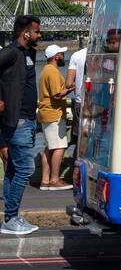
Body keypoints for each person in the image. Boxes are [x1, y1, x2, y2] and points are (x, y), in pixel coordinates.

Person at [0, 15, 42, 235]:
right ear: (26, 33)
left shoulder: (27, 53)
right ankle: (12, 217)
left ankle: (9, 218)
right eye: (36, 31)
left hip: (26, 120)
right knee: (26, 168)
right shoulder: (11, 52)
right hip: (18, 121)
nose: (39, 35)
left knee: (14, 169)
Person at [38, 44, 74, 190]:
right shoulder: (52, 72)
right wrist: (73, 88)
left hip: (46, 113)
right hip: (54, 114)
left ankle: (45, 181)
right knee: (60, 146)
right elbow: (57, 94)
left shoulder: (45, 70)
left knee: (50, 148)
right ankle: (54, 180)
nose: (63, 56)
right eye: (61, 54)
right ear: (55, 56)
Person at [67, 44, 87, 148]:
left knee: (79, 137)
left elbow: (69, 83)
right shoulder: (104, 52)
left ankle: (79, 160)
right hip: (101, 102)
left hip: (80, 102)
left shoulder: (76, 55)